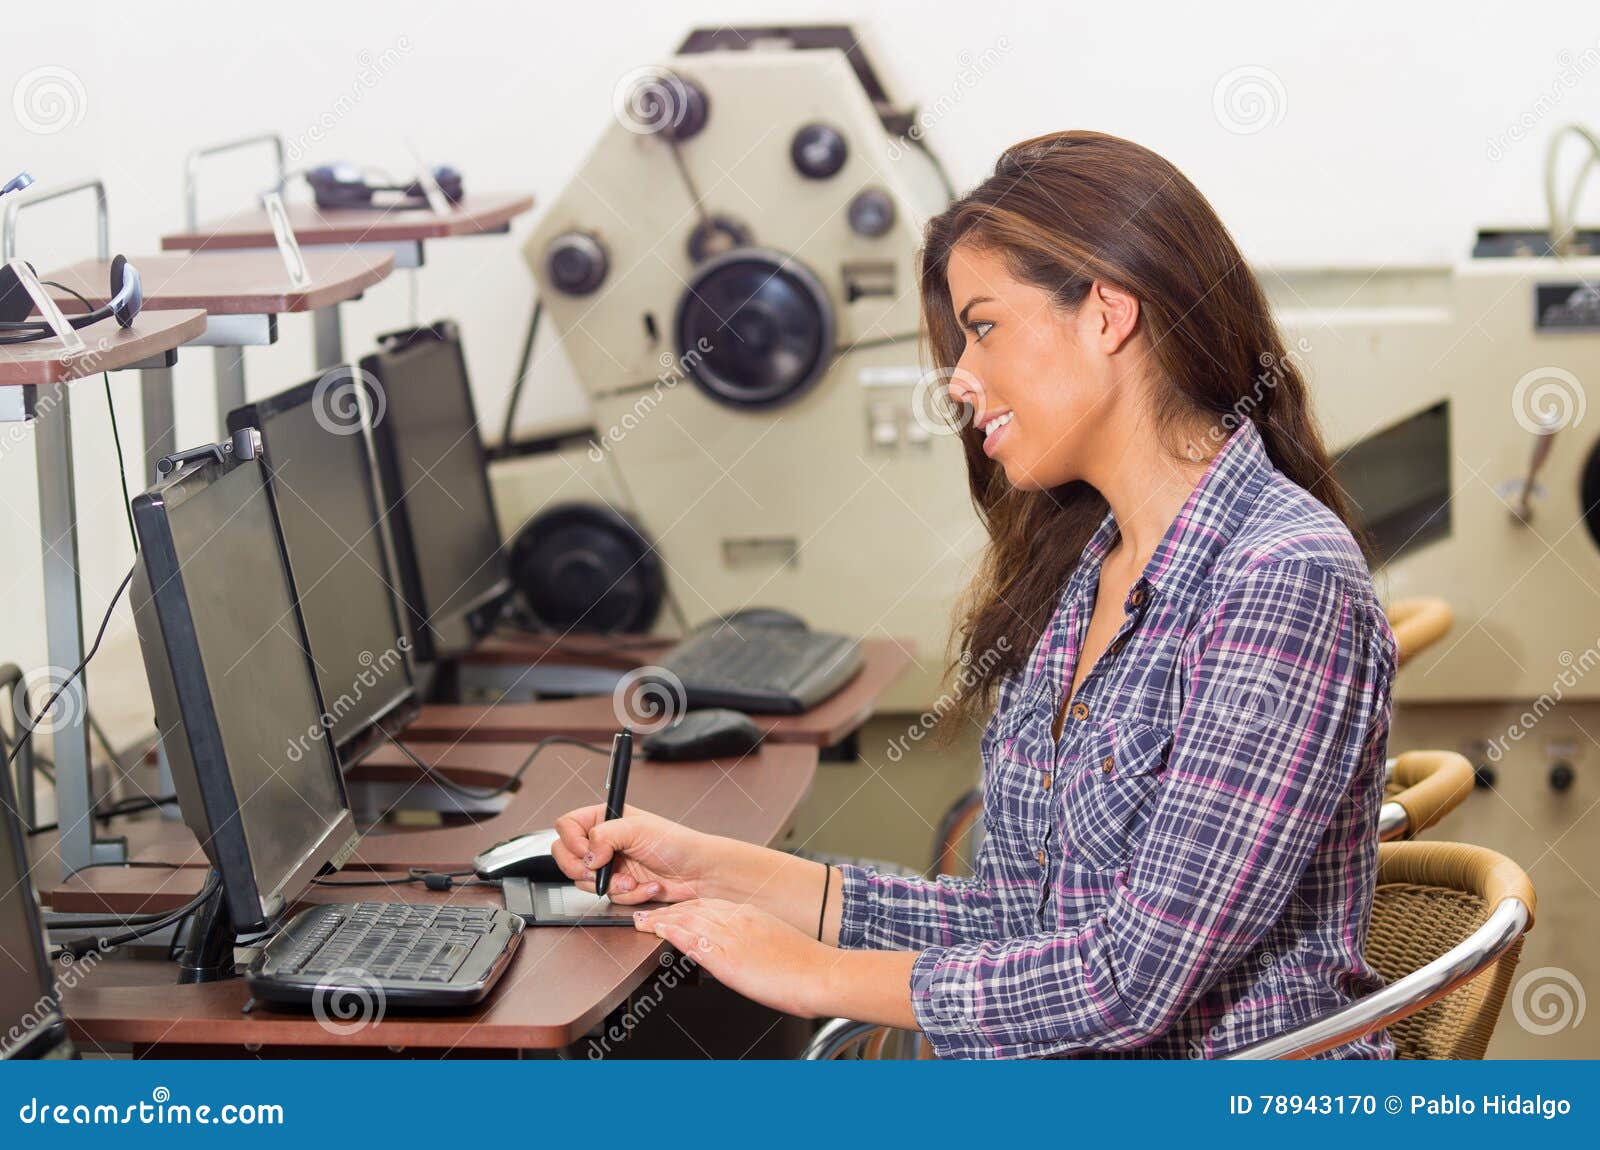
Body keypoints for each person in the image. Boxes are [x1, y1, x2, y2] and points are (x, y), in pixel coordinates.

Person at [552, 131, 1396, 1059]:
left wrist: (810, 973)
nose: (958, 379)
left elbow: (1128, 981)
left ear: (1107, 314)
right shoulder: (1092, 569)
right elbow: (1019, 922)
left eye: (983, 327)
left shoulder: (1283, 579)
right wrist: (719, 872)